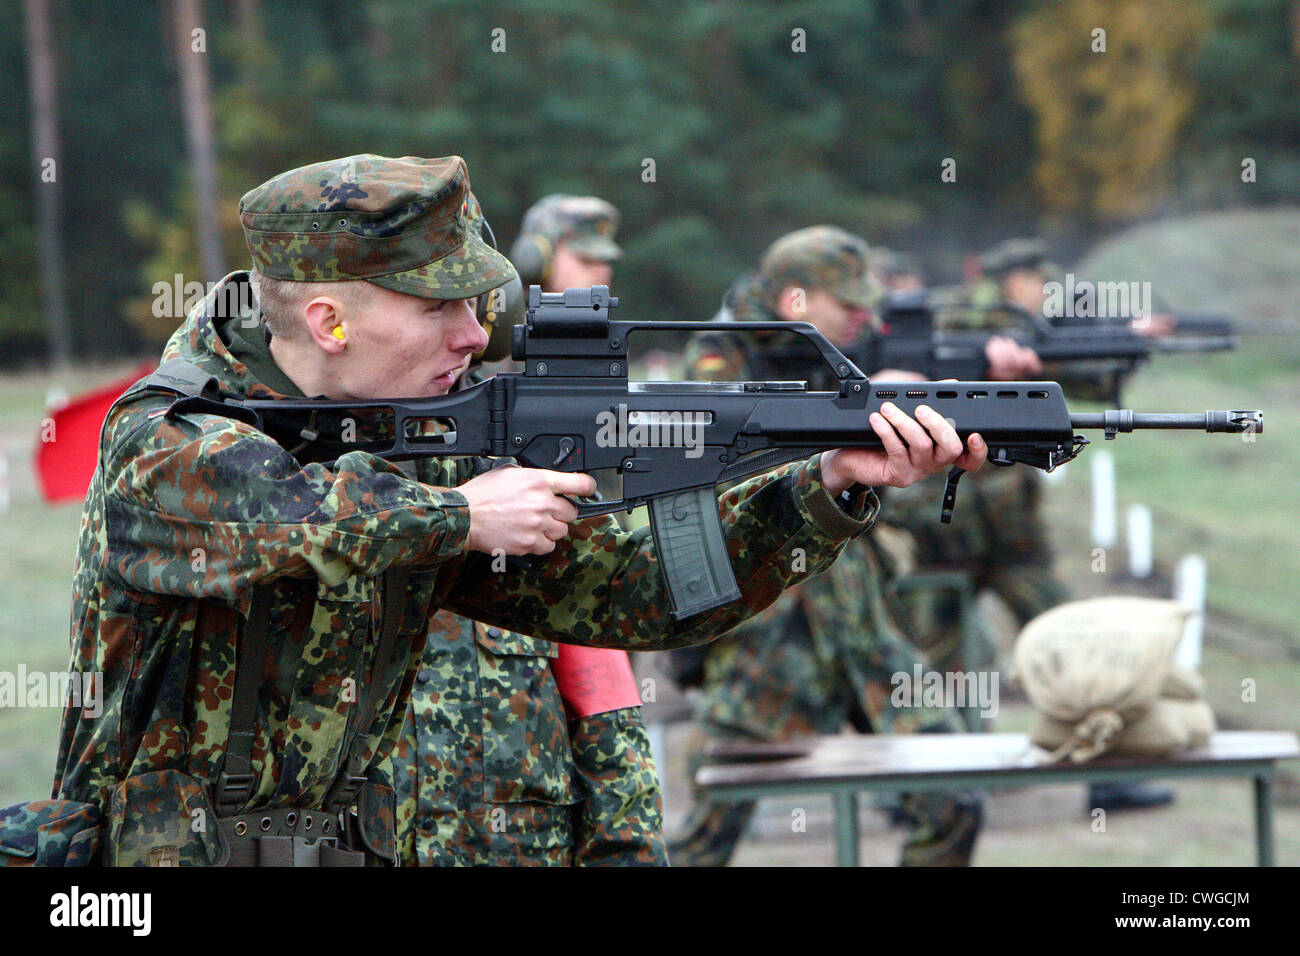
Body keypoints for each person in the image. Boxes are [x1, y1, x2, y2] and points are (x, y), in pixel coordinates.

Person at [49, 156, 985, 866]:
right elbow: (291, 516)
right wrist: (462, 515)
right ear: (331, 322)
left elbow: (622, 588)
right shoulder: (168, 435)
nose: (475, 333)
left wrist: (823, 487)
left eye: (481, 305)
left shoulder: (418, 441)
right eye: (441, 308)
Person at [668, 226, 986, 867]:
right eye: (849, 304)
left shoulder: (843, 344)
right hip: (769, 630)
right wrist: (860, 410)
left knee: (956, 798)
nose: (865, 316)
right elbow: (718, 484)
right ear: (796, 301)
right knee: (705, 837)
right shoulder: (719, 361)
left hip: (859, 615)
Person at [387, 194, 667, 866]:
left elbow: (594, 645)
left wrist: (627, 835)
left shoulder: (535, 419)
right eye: (434, 312)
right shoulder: (287, 463)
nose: (466, 338)